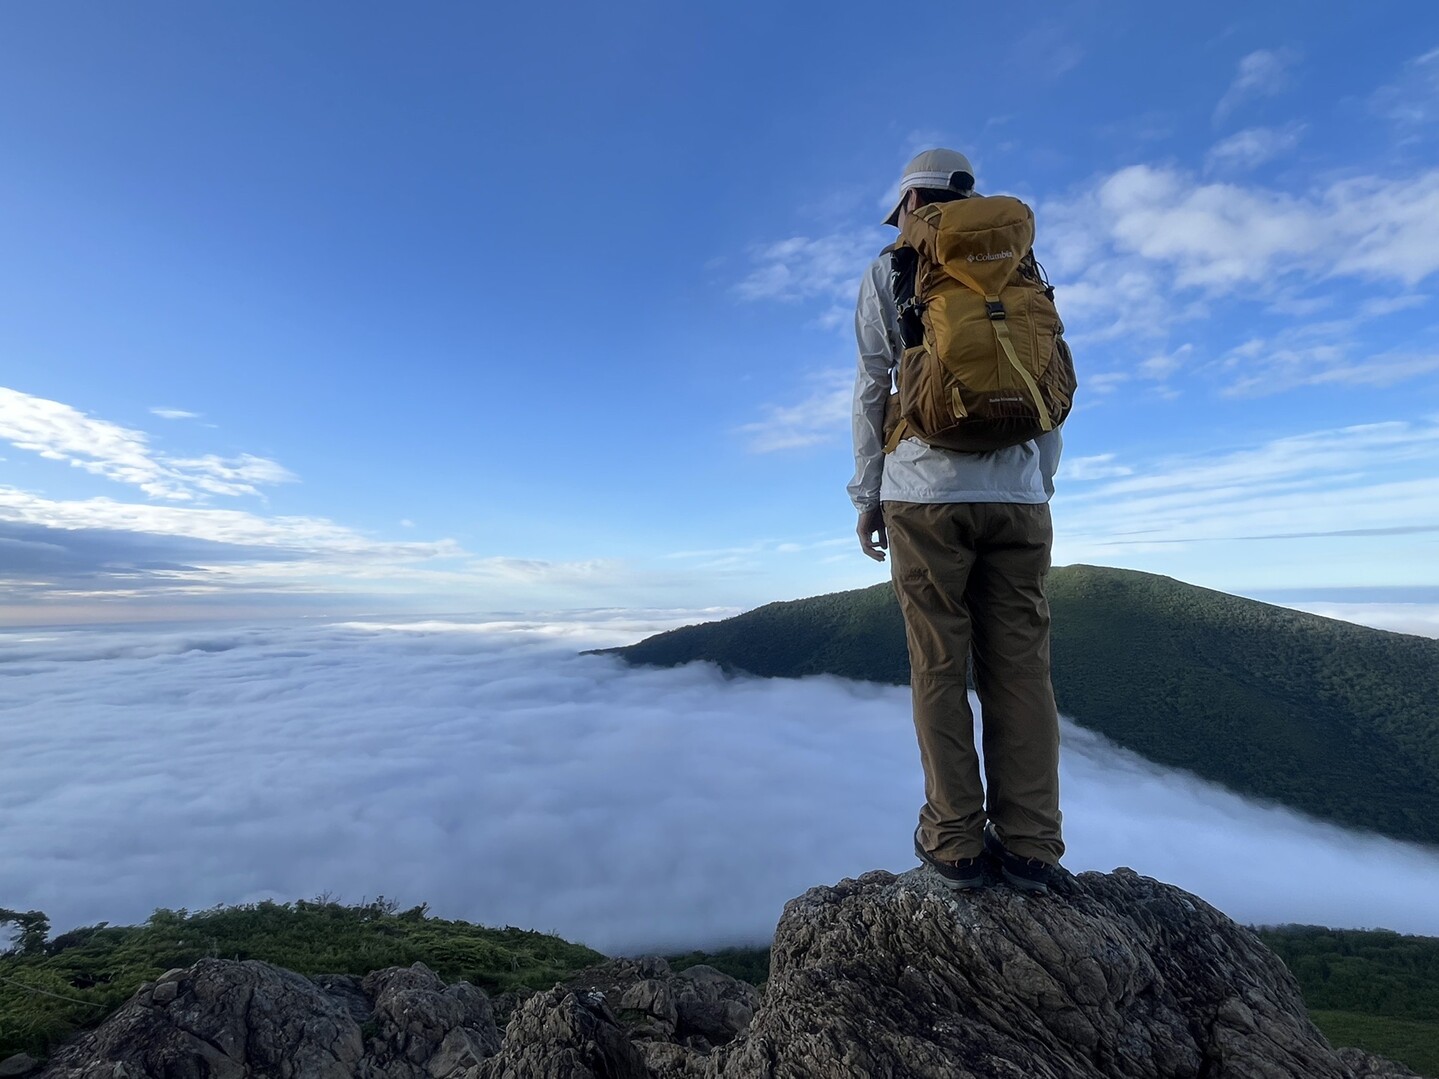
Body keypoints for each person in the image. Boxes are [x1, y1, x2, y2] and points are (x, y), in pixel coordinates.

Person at [848, 148, 1065, 894]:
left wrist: (866, 494)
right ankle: (1033, 842)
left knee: (939, 666)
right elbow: (1048, 382)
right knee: (1022, 670)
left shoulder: (894, 269)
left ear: (911, 198)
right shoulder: (1020, 267)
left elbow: (873, 387)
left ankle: (954, 839)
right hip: (1018, 495)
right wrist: (1035, 485)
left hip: (923, 491)